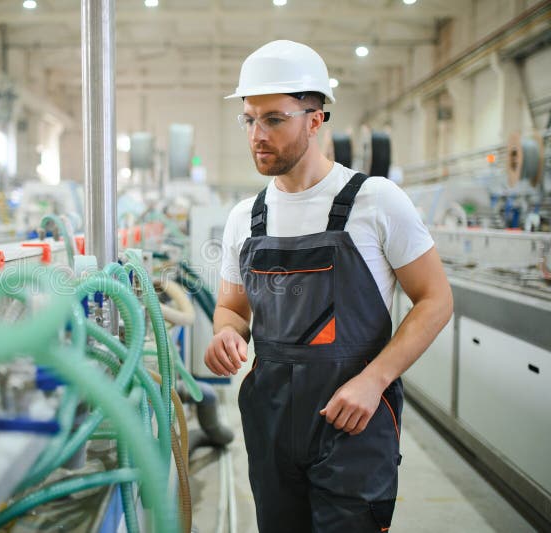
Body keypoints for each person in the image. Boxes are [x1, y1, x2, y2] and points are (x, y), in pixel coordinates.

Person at [205, 40, 453, 533]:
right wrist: (226, 334)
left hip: (353, 422)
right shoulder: (245, 218)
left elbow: (436, 299)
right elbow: (232, 308)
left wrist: (374, 380)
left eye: (274, 119)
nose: (257, 134)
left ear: (315, 118)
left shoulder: (374, 201)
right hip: (270, 421)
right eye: (249, 119)